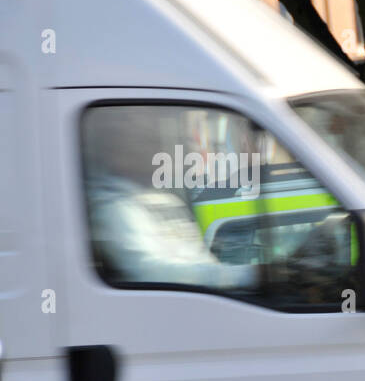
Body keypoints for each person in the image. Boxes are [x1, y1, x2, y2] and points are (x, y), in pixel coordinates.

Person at [82, 107, 259, 291]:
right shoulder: (113, 208)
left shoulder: (164, 198)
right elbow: (152, 273)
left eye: (151, 138)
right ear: (116, 151)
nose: (153, 149)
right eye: (140, 141)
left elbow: (199, 260)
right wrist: (252, 274)